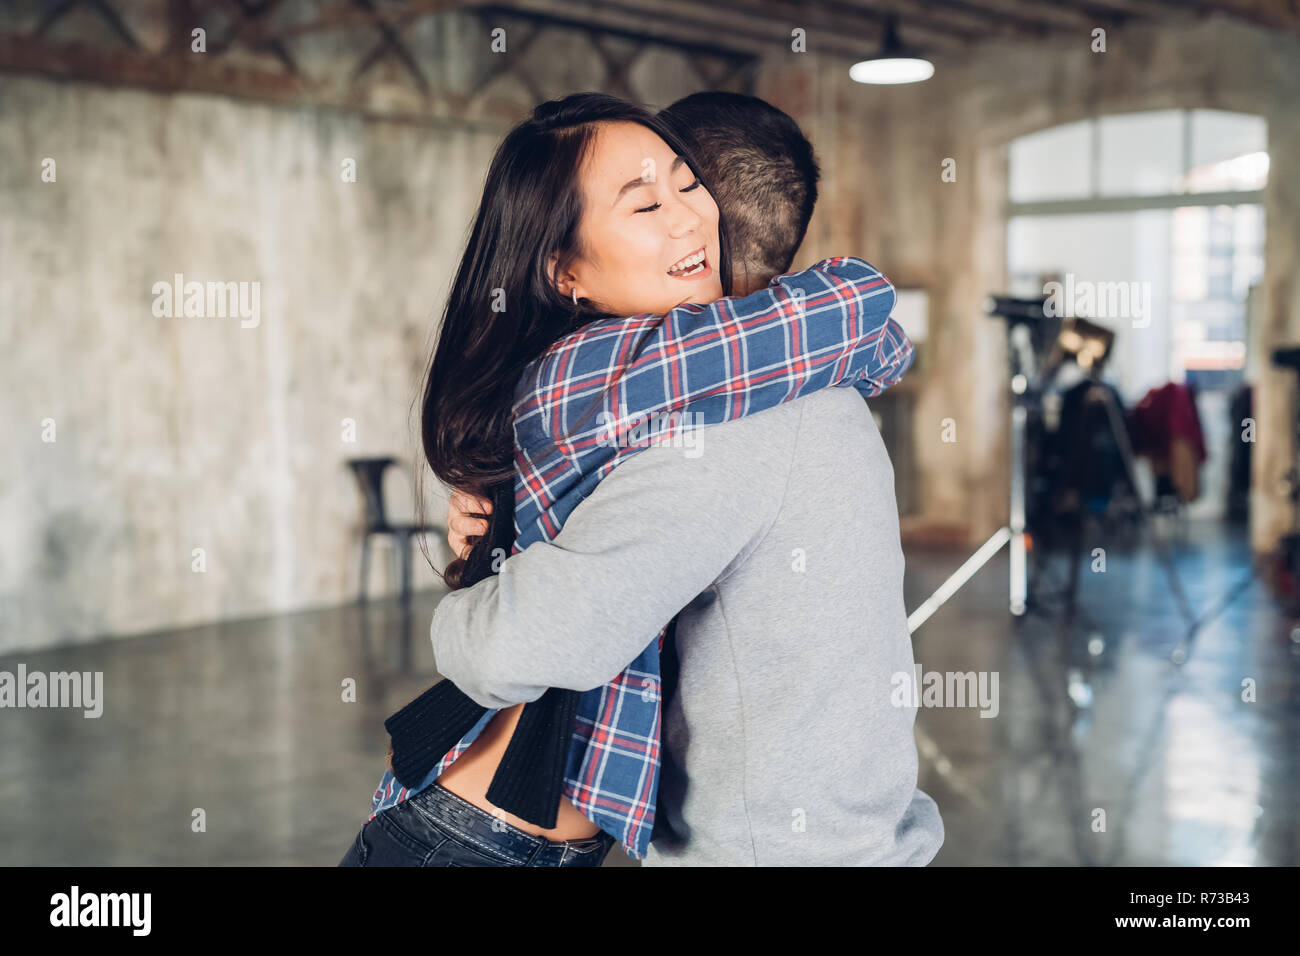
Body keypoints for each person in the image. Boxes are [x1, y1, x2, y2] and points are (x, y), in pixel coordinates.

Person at [340, 92, 926, 867]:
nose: (686, 217)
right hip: (468, 836)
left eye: (689, 187)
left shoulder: (730, 392)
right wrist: (470, 608)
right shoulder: (656, 379)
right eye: (646, 202)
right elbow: (856, 308)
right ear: (566, 270)